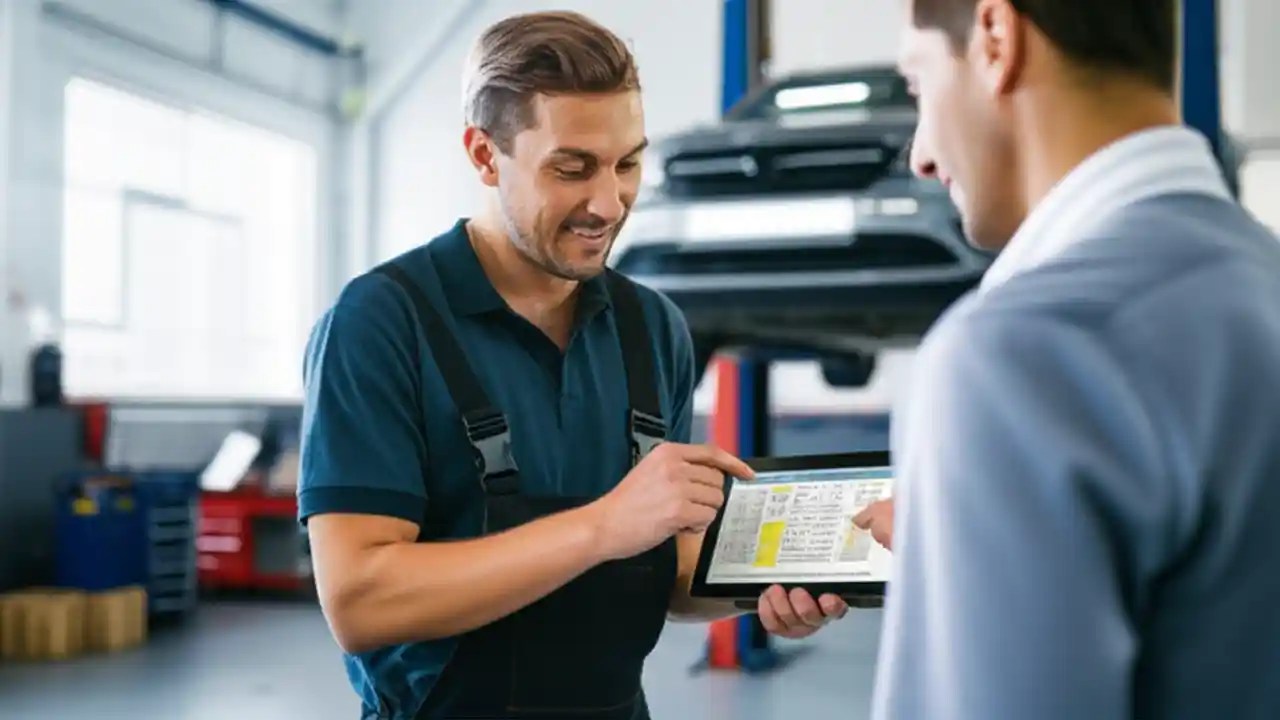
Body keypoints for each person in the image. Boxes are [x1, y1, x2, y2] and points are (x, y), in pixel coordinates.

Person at [298, 11, 848, 720]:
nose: (608, 202)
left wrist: (766, 587)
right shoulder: (380, 324)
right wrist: (602, 526)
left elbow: (669, 570)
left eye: (627, 164)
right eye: (572, 168)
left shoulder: (653, 328)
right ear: (484, 154)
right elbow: (361, 600)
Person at [871, 0, 1280, 719]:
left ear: (995, 38)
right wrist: (990, 544)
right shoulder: (1255, 283)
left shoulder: (1015, 358)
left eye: (918, 85)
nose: (922, 155)